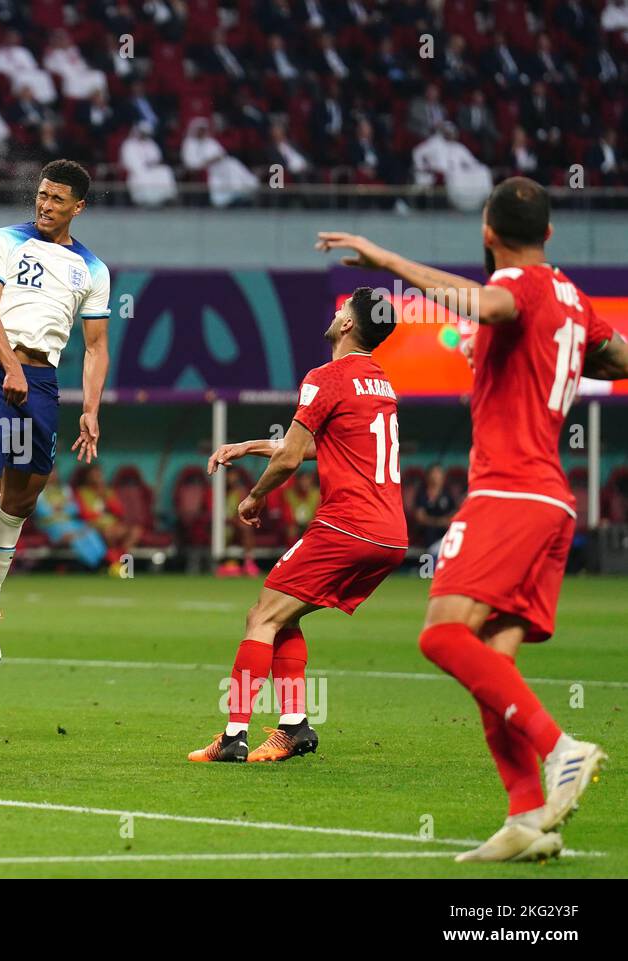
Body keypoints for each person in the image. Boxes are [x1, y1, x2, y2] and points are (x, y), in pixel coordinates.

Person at [317, 176, 628, 862]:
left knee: (440, 636)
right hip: (553, 502)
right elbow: (613, 356)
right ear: (549, 232)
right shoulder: (576, 302)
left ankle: (561, 747)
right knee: (492, 662)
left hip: (509, 494)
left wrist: (387, 260)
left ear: (488, 233)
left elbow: (485, 302)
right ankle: (525, 817)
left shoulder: (518, 288)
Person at [191, 288, 405, 764]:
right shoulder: (380, 383)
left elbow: (290, 458)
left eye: (343, 309)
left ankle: (232, 737)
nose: (336, 312)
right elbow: (318, 448)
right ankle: (294, 726)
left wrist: (253, 496)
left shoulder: (326, 376)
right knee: (285, 614)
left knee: (260, 617)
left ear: (349, 325)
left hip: (347, 525)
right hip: (390, 534)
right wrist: (248, 446)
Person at [0, 159, 111, 685]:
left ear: (78, 207)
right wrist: (10, 366)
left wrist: (91, 409)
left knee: (23, 498)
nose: (45, 205)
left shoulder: (93, 270)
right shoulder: (3, 240)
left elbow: (96, 347)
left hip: (45, 383)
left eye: (58, 199)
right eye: (41, 195)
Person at [414, 463, 456, 556]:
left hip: (445, 532)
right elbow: (420, 517)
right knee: (430, 532)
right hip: (427, 532)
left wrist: (446, 521)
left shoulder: (447, 494)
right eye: (434, 473)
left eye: (439, 473)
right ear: (428, 476)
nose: (437, 476)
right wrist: (438, 522)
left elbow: (453, 515)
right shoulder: (422, 494)